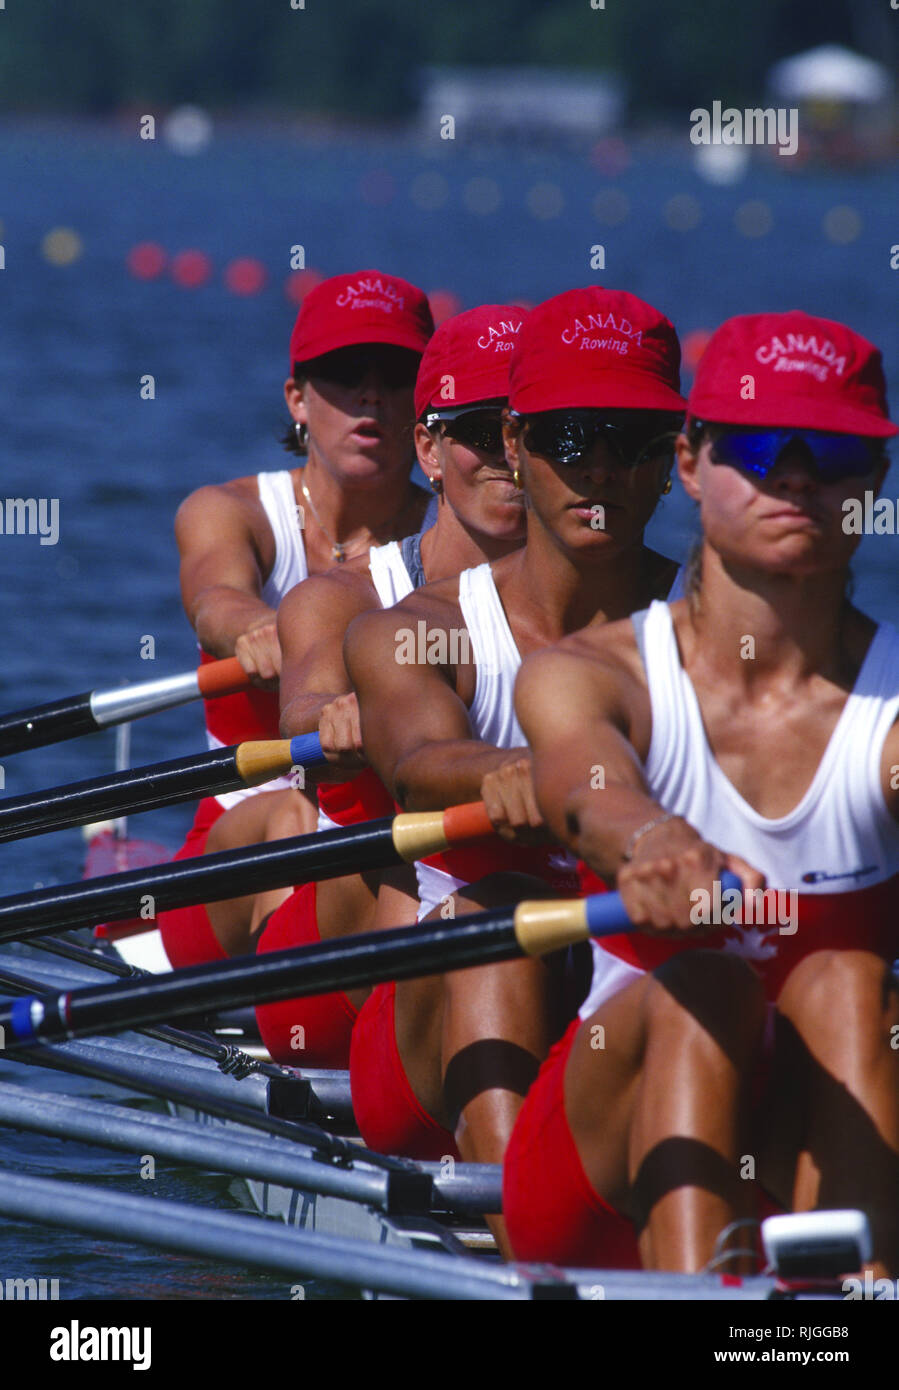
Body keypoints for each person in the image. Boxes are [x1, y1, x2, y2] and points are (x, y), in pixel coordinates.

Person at [506, 310, 899, 1276]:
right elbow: (581, 788)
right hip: (591, 1177)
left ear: (873, 484)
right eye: (761, 446)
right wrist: (645, 844)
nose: (797, 476)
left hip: (805, 1142)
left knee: (846, 988)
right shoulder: (593, 677)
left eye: (836, 452)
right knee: (710, 985)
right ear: (689, 463)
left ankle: (853, 1293)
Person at [345, 287, 686, 1253]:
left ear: (678, 462)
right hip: (428, 1045)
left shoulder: (727, 632)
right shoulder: (417, 631)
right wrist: (548, 780)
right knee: (491, 911)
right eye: (573, 438)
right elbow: (413, 767)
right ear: (516, 438)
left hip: (632, 994)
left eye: (637, 441)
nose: (605, 470)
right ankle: (518, 1235)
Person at [208, 305, 530, 1068]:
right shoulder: (340, 596)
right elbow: (303, 712)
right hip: (341, 951)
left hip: (524, 928)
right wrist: (335, 717)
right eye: (484, 435)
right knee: (291, 813)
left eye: (545, 437)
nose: (511, 461)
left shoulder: (629, 614)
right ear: (431, 447)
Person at [157, 270, 434, 969]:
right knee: (297, 817)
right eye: (344, 373)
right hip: (242, 838)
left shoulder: (453, 541)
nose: (370, 395)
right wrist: (261, 630)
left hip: (389, 838)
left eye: (398, 373)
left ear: (427, 405)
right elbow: (215, 597)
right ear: (297, 399)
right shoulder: (230, 512)